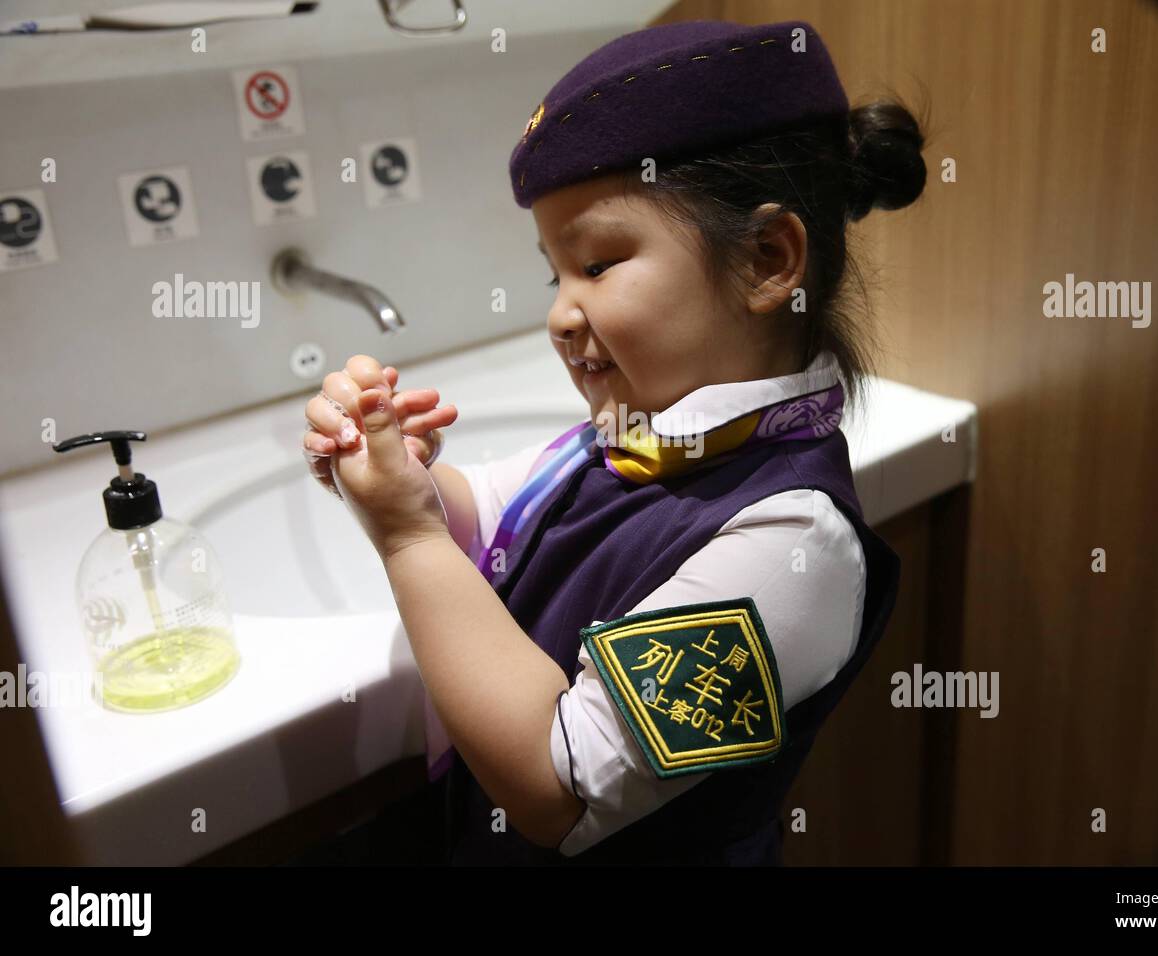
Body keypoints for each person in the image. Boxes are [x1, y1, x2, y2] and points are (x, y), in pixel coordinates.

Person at [301, 17, 924, 865]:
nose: (560, 314)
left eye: (596, 265)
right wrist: (391, 475)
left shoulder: (792, 547)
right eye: (551, 274)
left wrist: (406, 535)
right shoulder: (645, 435)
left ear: (768, 262)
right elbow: (487, 512)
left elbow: (558, 787)